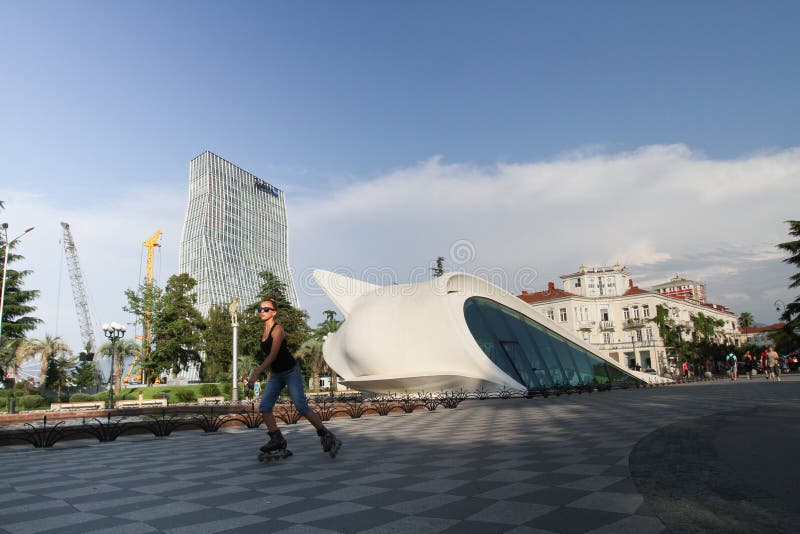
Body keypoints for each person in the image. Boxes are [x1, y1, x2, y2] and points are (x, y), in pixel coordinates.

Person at [248, 298, 341, 459]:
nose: (262, 312)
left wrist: (257, 373)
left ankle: (326, 435)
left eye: (266, 309)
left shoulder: (278, 330)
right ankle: (277, 439)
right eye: (260, 309)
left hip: (290, 371)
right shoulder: (263, 332)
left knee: (301, 406)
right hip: (277, 374)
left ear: (274, 312)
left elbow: (273, 354)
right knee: (264, 406)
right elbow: (271, 359)